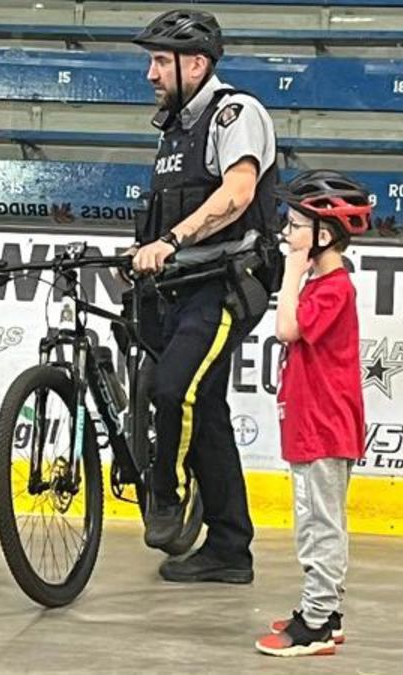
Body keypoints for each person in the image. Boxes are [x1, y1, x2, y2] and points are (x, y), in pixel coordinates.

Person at [128, 9, 280, 583]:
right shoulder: (173, 130)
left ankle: (163, 497)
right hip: (177, 286)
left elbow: (237, 195)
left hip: (223, 284)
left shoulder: (235, 113)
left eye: (159, 61)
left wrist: (171, 239)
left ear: (196, 64)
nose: (150, 74)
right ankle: (229, 548)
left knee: (176, 391)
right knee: (207, 413)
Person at [254, 170, 371, 656]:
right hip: (313, 422)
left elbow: (286, 329)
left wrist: (291, 269)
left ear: (324, 235)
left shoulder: (332, 288)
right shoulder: (326, 284)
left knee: (319, 523)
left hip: (323, 425)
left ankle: (317, 622)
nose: (287, 233)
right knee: (320, 519)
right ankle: (326, 609)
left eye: (297, 225)